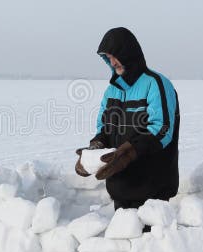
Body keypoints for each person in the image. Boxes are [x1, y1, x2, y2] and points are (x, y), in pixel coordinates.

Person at [76, 27, 180, 210]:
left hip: (153, 191)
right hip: (120, 188)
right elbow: (104, 128)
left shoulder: (156, 83)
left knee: (152, 239)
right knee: (122, 236)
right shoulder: (111, 91)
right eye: (108, 58)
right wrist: (96, 147)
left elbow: (163, 129)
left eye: (115, 55)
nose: (112, 62)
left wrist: (129, 152)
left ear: (129, 53)